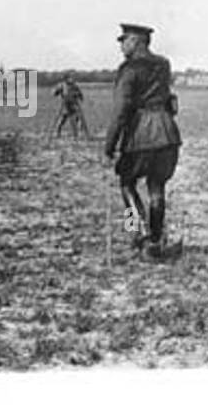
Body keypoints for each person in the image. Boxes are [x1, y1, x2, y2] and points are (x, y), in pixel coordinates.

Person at [104, 22, 182, 259]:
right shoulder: (163, 64)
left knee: (126, 183)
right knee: (157, 186)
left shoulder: (128, 69)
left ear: (136, 42)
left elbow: (120, 110)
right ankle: (155, 242)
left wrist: (110, 145)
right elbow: (169, 98)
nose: (121, 46)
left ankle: (137, 233)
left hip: (141, 135)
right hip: (168, 134)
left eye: (124, 40)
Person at [52, 73, 88, 137]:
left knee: (77, 117)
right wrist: (57, 91)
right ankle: (58, 131)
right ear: (65, 79)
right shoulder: (62, 86)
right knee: (63, 119)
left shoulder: (74, 86)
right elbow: (55, 93)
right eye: (68, 78)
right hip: (66, 105)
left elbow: (79, 93)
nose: (70, 80)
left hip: (74, 104)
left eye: (70, 78)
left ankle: (77, 132)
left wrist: (79, 97)